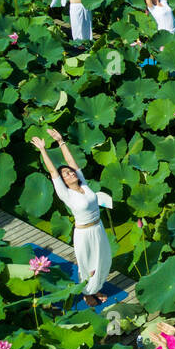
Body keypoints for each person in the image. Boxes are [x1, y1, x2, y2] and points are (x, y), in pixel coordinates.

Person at [30, 127, 112, 304]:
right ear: (64, 182)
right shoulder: (65, 193)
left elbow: (71, 161)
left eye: (71, 171)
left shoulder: (83, 184)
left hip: (98, 228)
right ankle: (87, 292)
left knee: (103, 260)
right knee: (87, 265)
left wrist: (61, 141)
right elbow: (53, 172)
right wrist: (43, 150)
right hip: (84, 233)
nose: (71, 173)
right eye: (66, 174)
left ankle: (96, 289)